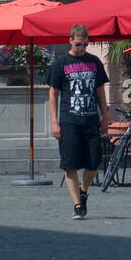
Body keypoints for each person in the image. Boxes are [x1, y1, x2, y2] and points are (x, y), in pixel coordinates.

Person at [47, 25, 108, 220]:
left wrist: (105, 116)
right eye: (78, 43)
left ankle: (83, 190)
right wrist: (55, 121)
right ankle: (77, 205)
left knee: (94, 162)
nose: (82, 47)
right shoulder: (61, 63)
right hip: (69, 121)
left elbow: (99, 90)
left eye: (85, 44)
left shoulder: (94, 62)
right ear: (70, 41)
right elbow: (53, 92)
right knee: (70, 164)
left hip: (91, 119)